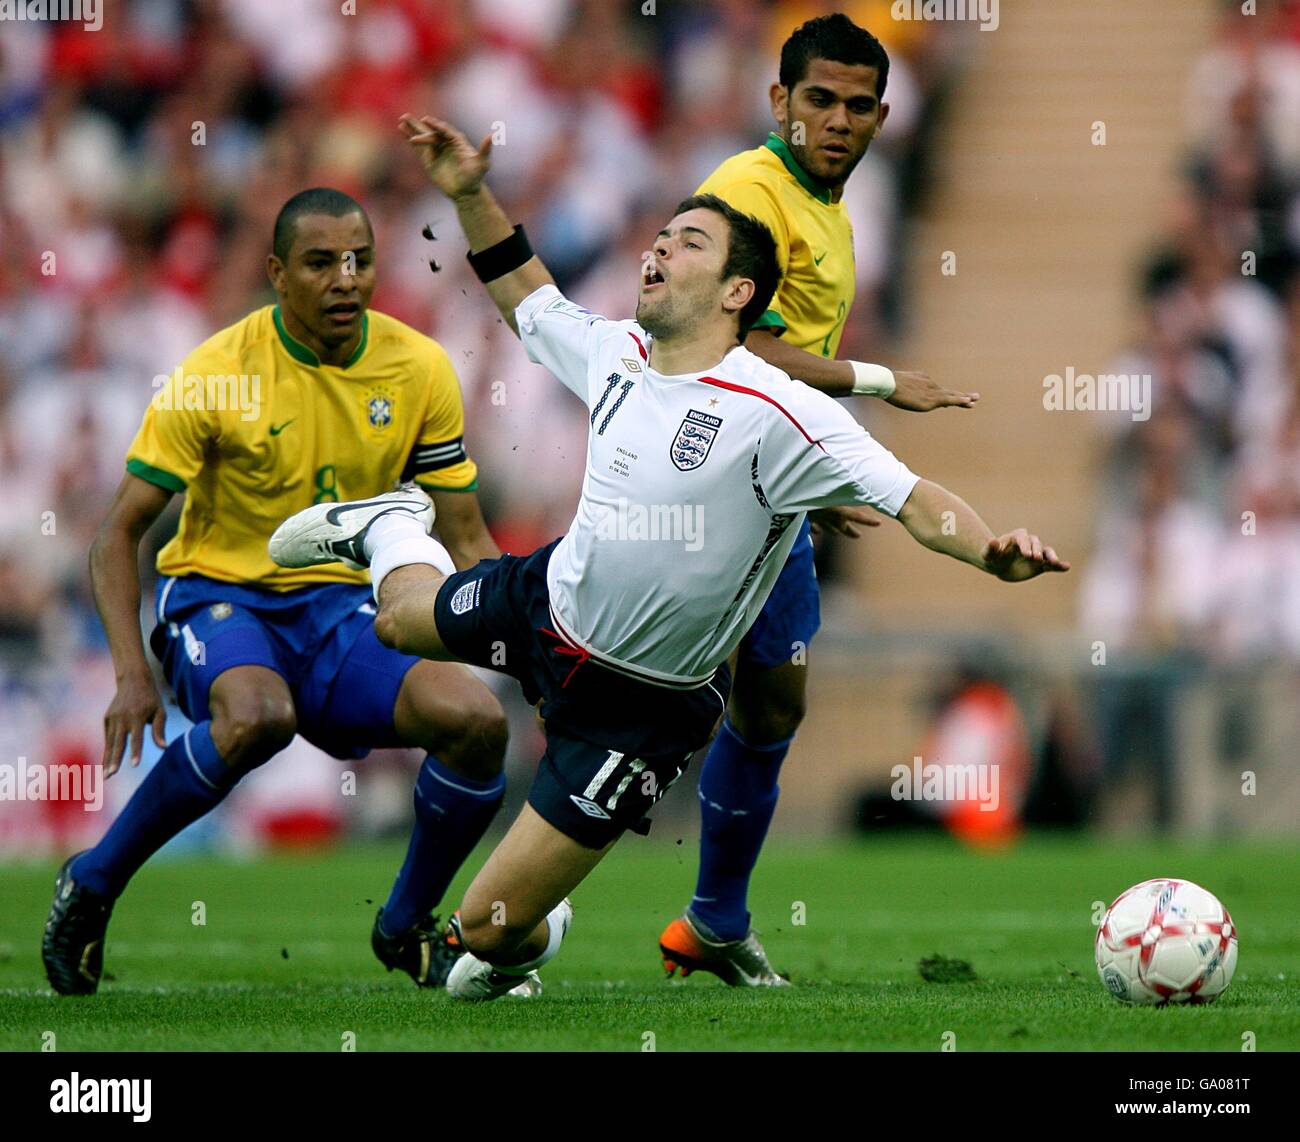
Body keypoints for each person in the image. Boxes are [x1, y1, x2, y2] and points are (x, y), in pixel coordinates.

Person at [266, 114, 1068, 1001]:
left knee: (474, 953)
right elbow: (520, 288)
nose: (657, 251)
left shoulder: (778, 409)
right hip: (547, 606)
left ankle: (528, 923)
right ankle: (389, 528)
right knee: (394, 619)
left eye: (687, 243)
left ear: (736, 291)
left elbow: (915, 500)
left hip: (637, 708)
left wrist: (993, 552)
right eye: (658, 239)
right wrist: (466, 191)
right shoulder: (619, 352)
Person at [43, 188, 508, 996]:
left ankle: (404, 925)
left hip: (339, 614)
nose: (346, 279)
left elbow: (464, 531)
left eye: (359, 260)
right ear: (277, 274)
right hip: (218, 596)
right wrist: (129, 671)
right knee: (258, 717)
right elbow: (117, 535)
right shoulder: (216, 374)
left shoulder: (419, 368)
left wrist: (522, 643)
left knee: (476, 723)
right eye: (322, 263)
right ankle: (92, 883)